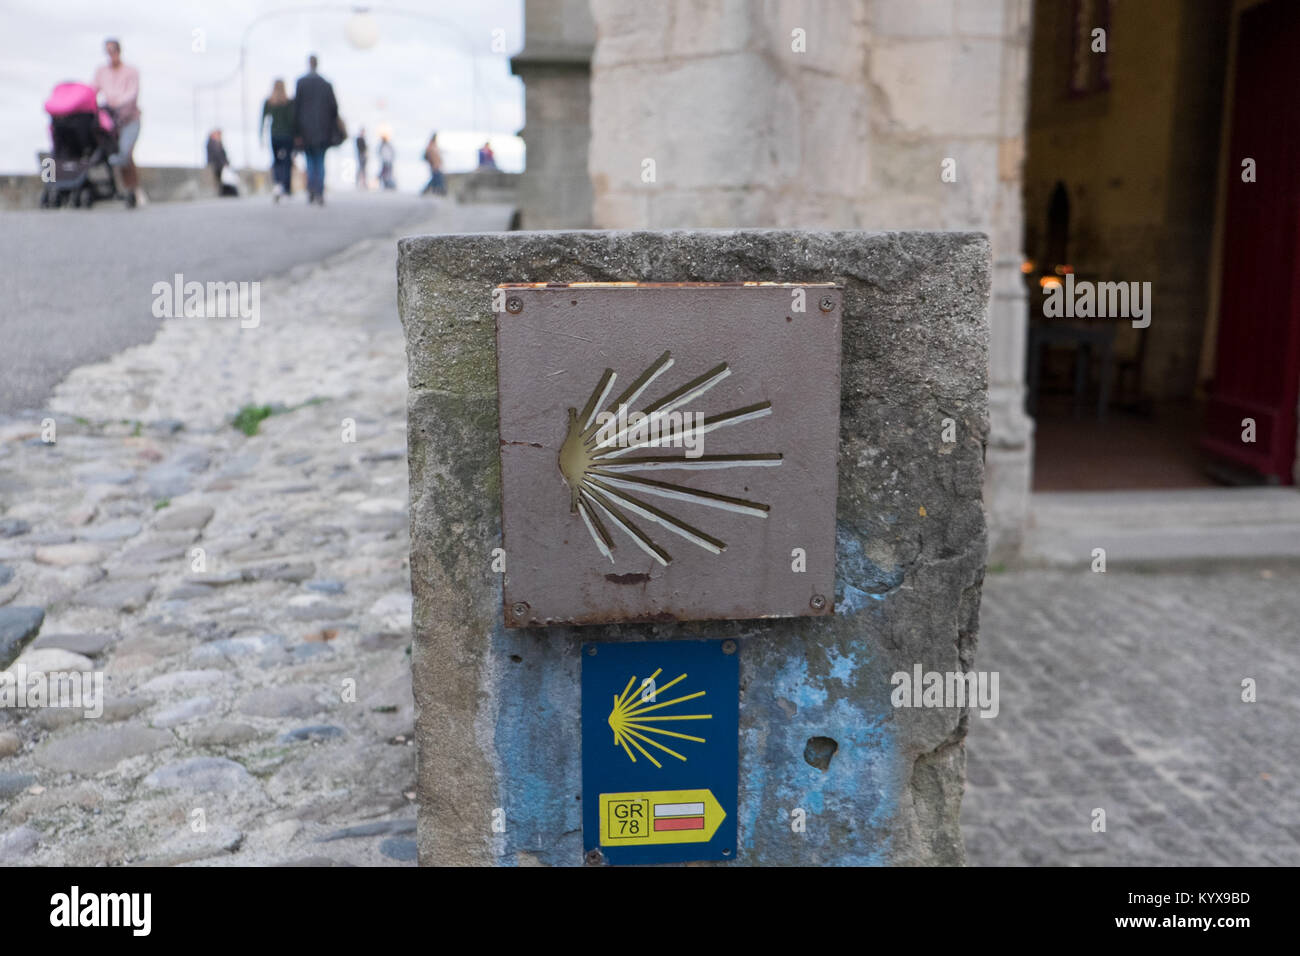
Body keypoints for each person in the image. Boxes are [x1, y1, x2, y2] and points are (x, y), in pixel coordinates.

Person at [93, 38, 141, 208]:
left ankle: (133, 189)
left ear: (119, 51)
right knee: (121, 155)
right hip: (110, 121)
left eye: (113, 50)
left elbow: (132, 94)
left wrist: (114, 102)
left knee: (125, 152)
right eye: (108, 50)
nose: (111, 53)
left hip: (129, 119)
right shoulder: (101, 72)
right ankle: (131, 190)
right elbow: (93, 90)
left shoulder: (131, 71)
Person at [292, 54, 339, 205]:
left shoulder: (301, 83)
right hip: (323, 130)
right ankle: (319, 191)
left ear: (308, 64)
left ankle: (312, 189)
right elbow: (334, 109)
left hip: (305, 131)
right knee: (320, 162)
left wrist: (297, 131)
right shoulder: (326, 84)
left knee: (310, 162)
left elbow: (296, 109)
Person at [260, 79, 294, 201]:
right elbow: (292, 120)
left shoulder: (269, 102)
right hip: (287, 135)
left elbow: (263, 120)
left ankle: (278, 184)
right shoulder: (288, 102)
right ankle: (286, 188)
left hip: (274, 135)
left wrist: (261, 137)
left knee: (277, 161)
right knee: (287, 161)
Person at [206, 129, 235, 196]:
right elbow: (216, 155)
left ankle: (225, 193)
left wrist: (226, 162)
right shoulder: (212, 143)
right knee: (220, 179)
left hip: (221, 165)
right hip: (216, 165)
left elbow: (223, 154)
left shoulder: (218, 143)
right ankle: (222, 193)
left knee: (223, 179)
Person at [421, 132, 445, 196]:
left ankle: (428, 191)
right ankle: (441, 191)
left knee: (435, 179)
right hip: (434, 165)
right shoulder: (431, 146)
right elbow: (432, 156)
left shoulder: (433, 145)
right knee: (437, 178)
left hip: (435, 165)